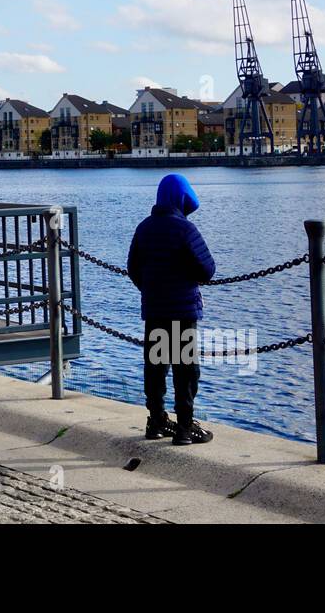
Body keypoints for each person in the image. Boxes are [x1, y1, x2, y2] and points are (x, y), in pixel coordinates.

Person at [126, 173, 216, 445]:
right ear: (182, 198)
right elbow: (208, 269)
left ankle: (156, 421)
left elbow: (132, 267)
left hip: (155, 310)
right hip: (184, 311)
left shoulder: (144, 228)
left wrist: (150, 289)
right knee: (185, 368)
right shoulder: (186, 230)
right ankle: (186, 428)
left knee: (155, 366)